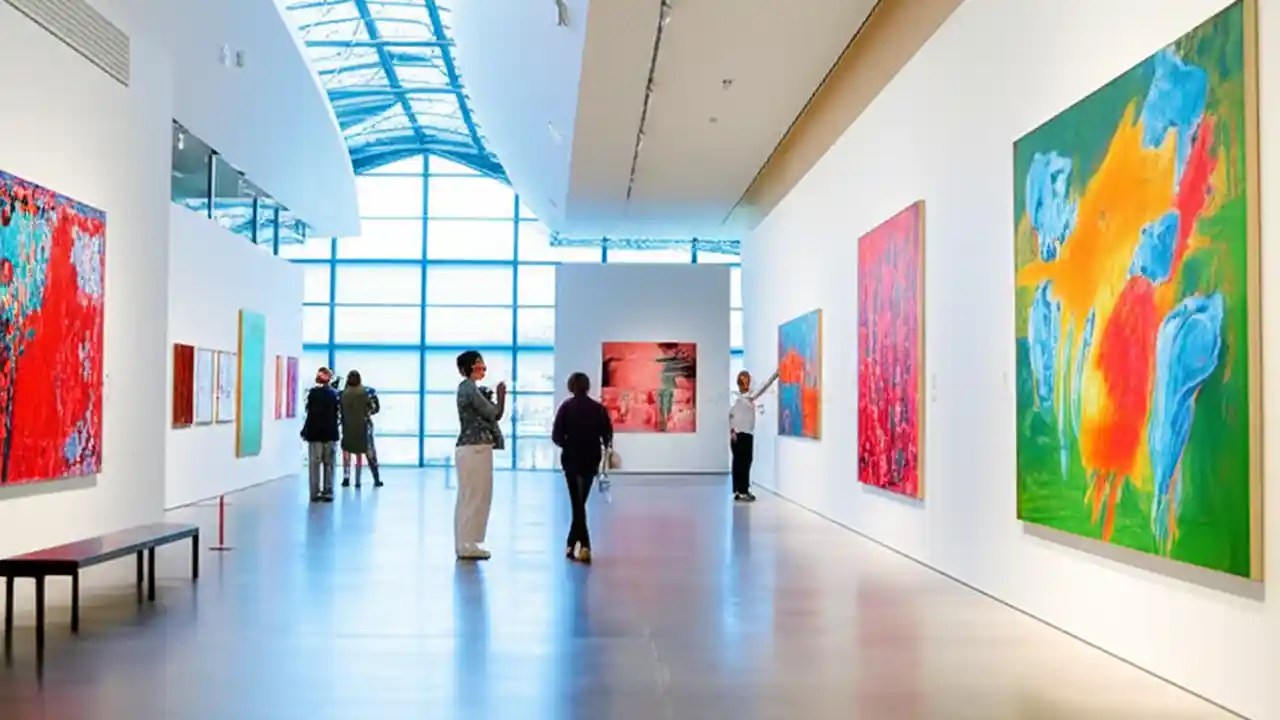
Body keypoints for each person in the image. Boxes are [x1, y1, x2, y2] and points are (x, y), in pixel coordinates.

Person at [551, 372, 614, 563]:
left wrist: (567, 444)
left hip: (571, 458)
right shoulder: (598, 409)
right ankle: (581, 545)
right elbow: (607, 435)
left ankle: (575, 544)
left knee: (576, 502)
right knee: (580, 501)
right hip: (591, 457)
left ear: (571, 387)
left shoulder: (566, 408)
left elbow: (556, 435)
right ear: (587, 386)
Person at [454, 350, 506, 560]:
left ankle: (466, 542)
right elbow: (494, 413)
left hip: (473, 448)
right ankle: (467, 544)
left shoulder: (468, 389)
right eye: (477, 365)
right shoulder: (468, 388)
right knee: (475, 496)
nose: (481, 369)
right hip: (474, 448)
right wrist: (501, 396)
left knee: (471, 496)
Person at [729, 368, 779, 502]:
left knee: (739, 463)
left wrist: (732, 430)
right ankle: (743, 491)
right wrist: (776, 374)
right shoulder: (747, 398)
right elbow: (764, 385)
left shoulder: (737, 399)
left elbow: (730, 416)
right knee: (744, 463)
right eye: (745, 380)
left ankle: (739, 491)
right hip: (743, 435)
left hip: (738, 435)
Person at [301, 367, 340, 503]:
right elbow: (337, 414)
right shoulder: (334, 394)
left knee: (314, 465)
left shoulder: (312, 394)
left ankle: (314, 492)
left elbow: (309, 412)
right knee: (329, 465)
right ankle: (328, 491)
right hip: (330, 434)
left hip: (315, 434)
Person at [340, 370, 382, 488]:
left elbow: (339, 412)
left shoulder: (343, 394)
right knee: (369, 453)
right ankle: (376, 478)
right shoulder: (367, 392)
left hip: (348, 426)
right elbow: (375, 408)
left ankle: (346, 478)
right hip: (364, 426)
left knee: (347, 452)